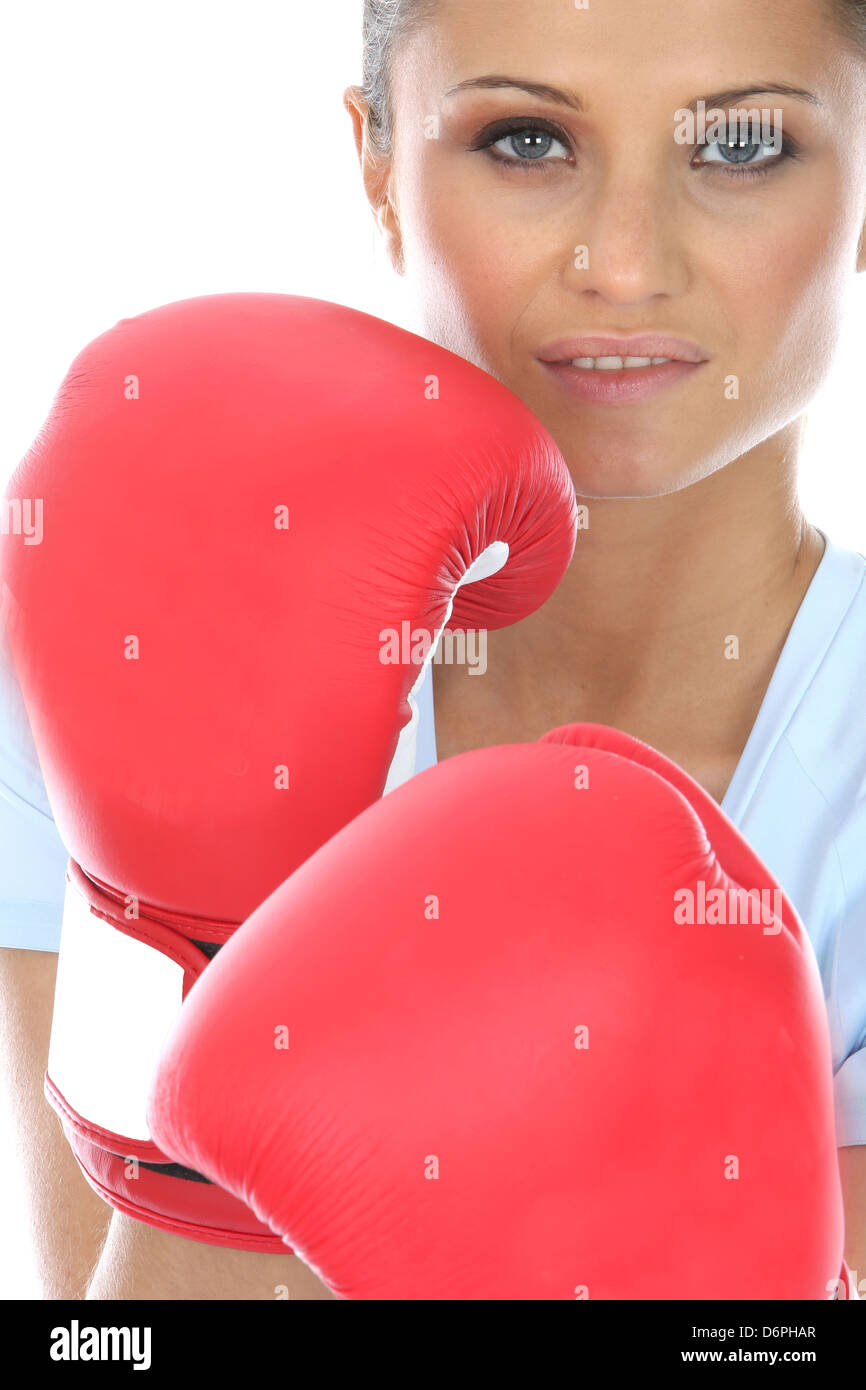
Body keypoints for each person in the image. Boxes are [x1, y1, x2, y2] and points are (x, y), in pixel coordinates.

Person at [2, 0, 866, 1299]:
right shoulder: (108, 658)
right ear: (376, 163)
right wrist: (204, 933)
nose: (624, 264)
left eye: (740, 146)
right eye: (525, 139)